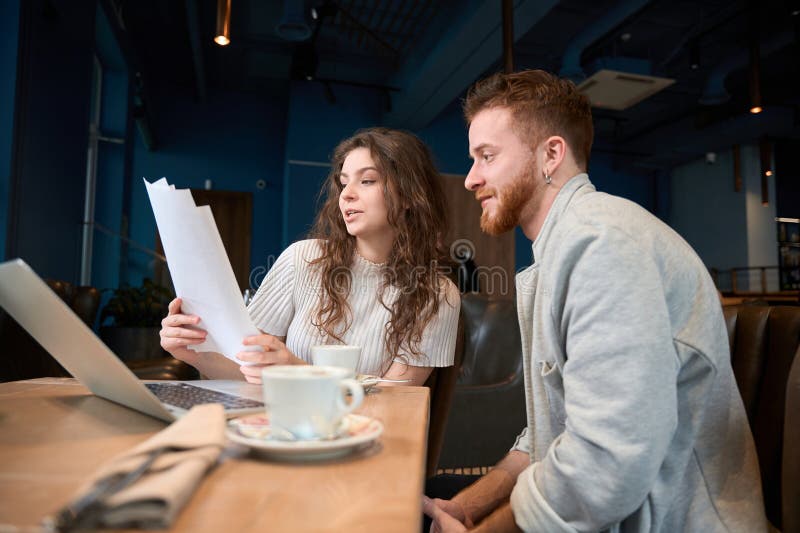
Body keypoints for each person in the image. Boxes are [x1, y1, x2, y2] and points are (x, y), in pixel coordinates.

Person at [423, 70, 766, 532]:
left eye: (487, 156)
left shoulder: (603, 245)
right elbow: (548, 438)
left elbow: (605, 463)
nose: (470, 179)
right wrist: (466, 508)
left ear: (551, 154)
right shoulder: (565, 251)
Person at [159, 127, 460, 386]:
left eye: (367, 180)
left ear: (408, 194)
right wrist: (193, 354)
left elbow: (399, 402)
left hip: (366, 447)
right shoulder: (303, 259)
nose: (347, 194)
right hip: (278, 430)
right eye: (344, 183)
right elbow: (246, 370)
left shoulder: (437, 294)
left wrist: (296, 369)